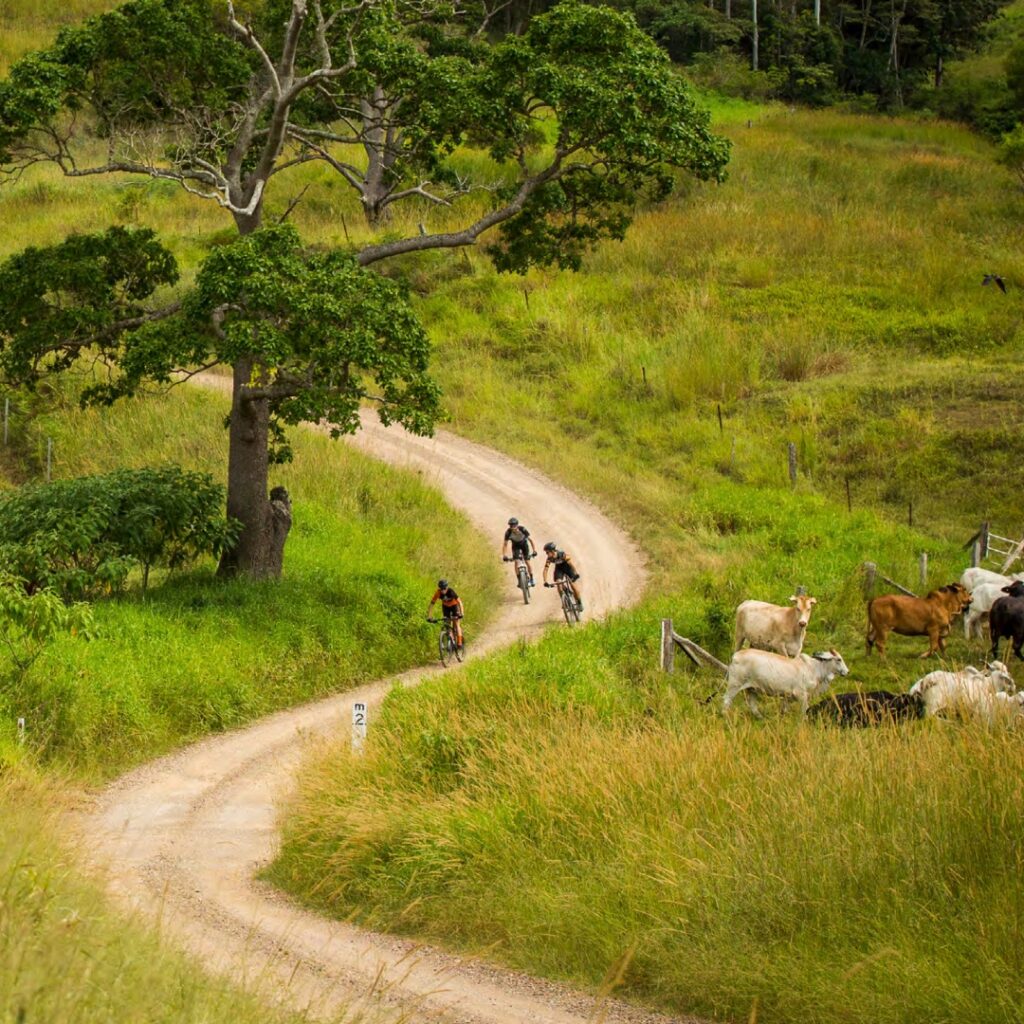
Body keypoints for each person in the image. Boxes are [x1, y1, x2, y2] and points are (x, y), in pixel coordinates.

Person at [542, 541, 582, 612]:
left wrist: (575, 573)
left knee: (573, 586)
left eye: (547, 552)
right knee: (558, 583)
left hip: (567, 568)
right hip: (559, 569)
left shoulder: (561, 554)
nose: (546, 554)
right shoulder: (549, 559)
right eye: (546, 553)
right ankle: (564, 599)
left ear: (552, 551)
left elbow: (570, 563)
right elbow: (545, 570)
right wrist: (545, 581)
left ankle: (579, 603)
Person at [426, 578, 464, 649]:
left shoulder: (451, 592)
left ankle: (459, 642)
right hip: (446, 607)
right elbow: (431, 604)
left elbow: (460, 602)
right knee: (447, 623)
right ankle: (451, 641)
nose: (443, 590)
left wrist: (461, 613)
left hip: (454, 606)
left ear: (447, 587)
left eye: (444, 588)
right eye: (441, 589)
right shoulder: (438, 593)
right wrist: (429, 616)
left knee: (456, 622)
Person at [502, 517, 538, 585]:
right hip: (515, 546)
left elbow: (531, 540)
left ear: (517, 525)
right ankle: (519, 580)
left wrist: (534, 550)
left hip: (524, 545)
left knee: (527, 561)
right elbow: (505, 544)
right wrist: (504, 555)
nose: (513, 527)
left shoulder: (522, 529)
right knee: (516, 561)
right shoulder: (508, 532)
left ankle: (532, 578)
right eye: (511, 526)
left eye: (514, 525)